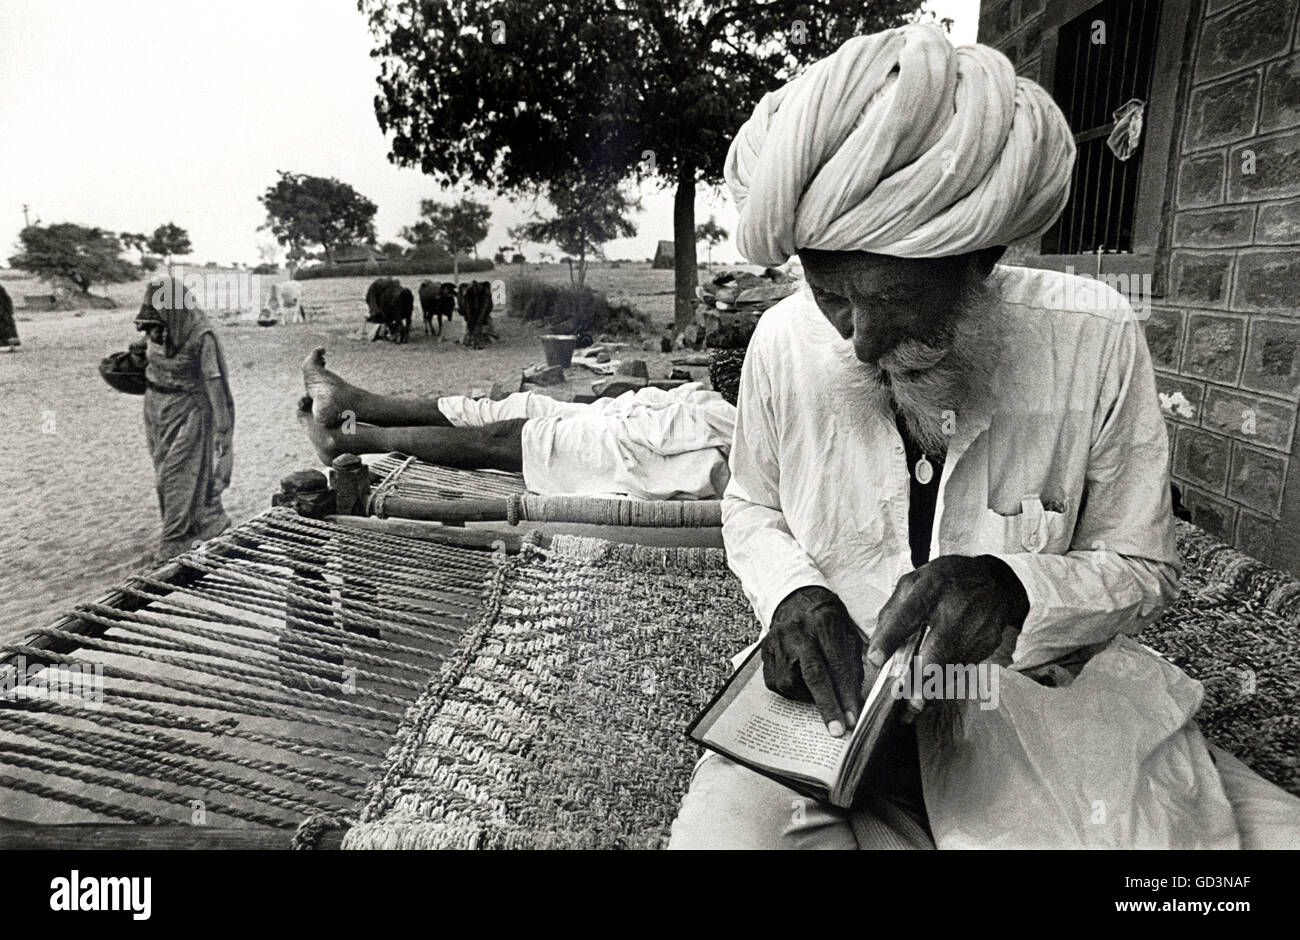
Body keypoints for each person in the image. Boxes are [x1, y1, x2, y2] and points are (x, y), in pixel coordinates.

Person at [668, 23, 1300, 849]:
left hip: (1034, 710)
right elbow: (752, 504)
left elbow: (1143, 568)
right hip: (825, 723)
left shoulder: (1094, 337)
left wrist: (1018, 588)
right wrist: (793, 592)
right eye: (833, 296)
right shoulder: (786, 342)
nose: (858, 340)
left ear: (985, 259)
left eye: (894, 302)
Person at [297, 347, 734, 500]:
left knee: (510, 436)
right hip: (678, 415)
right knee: (516, 404)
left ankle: (347, 439)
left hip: (676, 452)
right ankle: (350, 403)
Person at [135, 275, 235, 559]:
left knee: (175, 475)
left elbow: (215, 383)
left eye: (159, 323)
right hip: (157, 411)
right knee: (165, 474)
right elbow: (148, 357)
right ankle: (206, 521)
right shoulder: (156, 327)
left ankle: (174, 539)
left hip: (189, 413)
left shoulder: (201, 336)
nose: (154, 333)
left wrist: (223, 431)